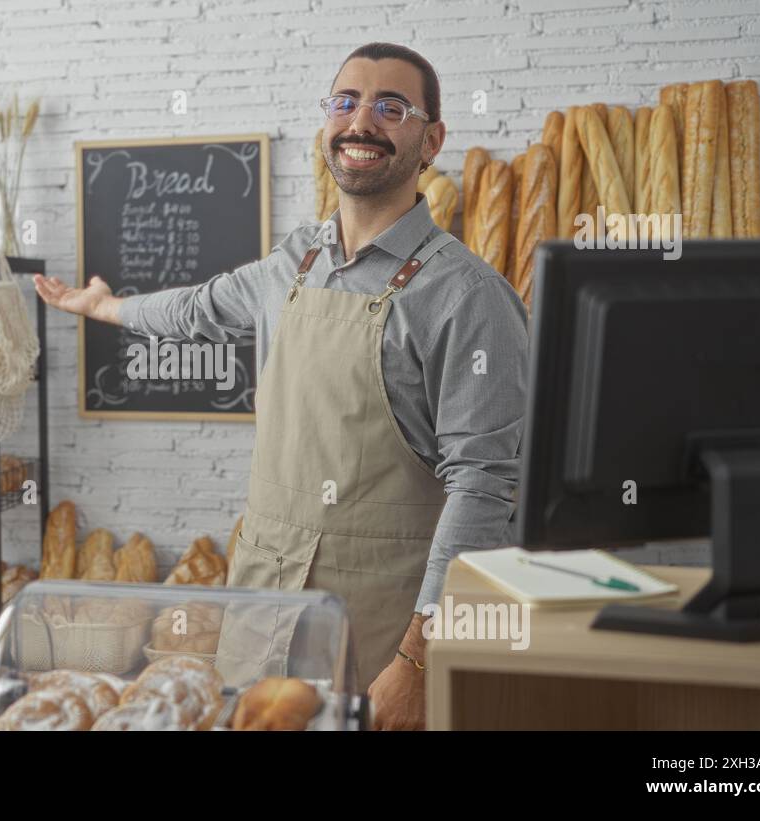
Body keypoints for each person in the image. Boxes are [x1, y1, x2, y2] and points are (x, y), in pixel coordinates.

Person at [35, 42, 528, 730]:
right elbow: (197, 308)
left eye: (391, 107)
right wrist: (105, 308)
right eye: (346, 101)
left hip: (381, 630)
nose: (362, 121)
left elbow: (485, 487)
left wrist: (419, 658)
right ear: (326, 122)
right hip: (262, 613)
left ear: (431, 140)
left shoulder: (468, 295)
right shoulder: (294, 262)